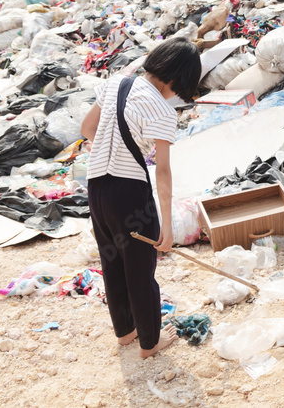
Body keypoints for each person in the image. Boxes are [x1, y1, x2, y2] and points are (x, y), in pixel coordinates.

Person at [80, 38, 202, 359]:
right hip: (129, 192)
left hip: (96, 187)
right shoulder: (162, 110)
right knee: (140, 269)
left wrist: (112, 146)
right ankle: (150, 342)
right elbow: (162, 171)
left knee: (113, 263)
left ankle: (125, 332)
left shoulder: (115, 82)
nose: (177, 95)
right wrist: (166, 227)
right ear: (175, 79)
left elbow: (87, 128)